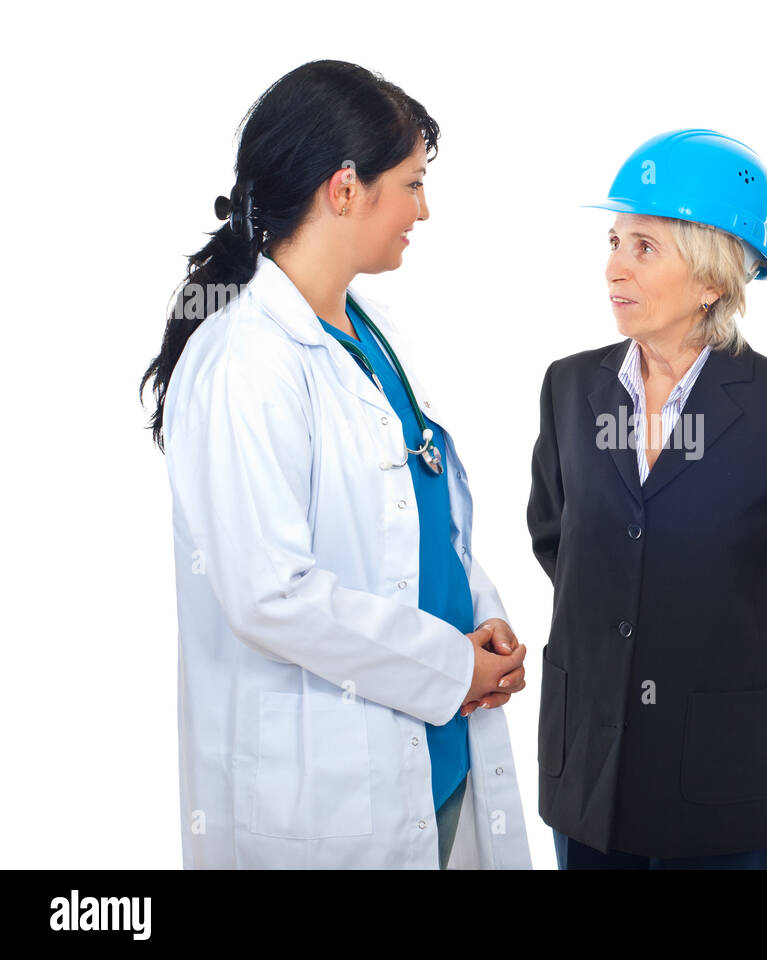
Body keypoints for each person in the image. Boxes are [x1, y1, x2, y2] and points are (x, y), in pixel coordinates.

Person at [139, 60, 530, 869]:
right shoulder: (246, 362)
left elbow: (420, 510)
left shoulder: (367, 332)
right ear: (344, 189)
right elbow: (268, 594)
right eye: (412, 184)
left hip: (436, 752)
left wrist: (476, 616)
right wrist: (450, 664)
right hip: (329, 791)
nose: (423, 209)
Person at [527, 129, 767, 869]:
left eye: (644, 247)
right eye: (613, 241)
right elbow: (557, 540)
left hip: (721, 776)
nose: (613, 266)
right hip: (586, 769)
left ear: (711, 278)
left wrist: (711, 660)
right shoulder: (570, 387)